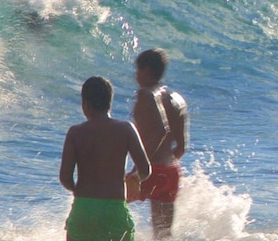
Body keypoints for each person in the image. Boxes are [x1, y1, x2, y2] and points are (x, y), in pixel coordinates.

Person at [61, 76, 153, 241]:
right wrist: (134, 178)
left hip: (84, 209)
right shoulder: (126, 129)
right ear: (109, 102)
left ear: (85, 104)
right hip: (114, 208)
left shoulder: (75, 133)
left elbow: (65, 178)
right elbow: (145, 169)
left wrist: (77, 190)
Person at [128, 49, 189, 239]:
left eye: (138, 70)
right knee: (163, 235)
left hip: (150, 171)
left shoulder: (146, 95)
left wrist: (140, 169)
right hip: (171, 173)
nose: (136, 74)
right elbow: (181, 148)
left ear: (146, 71)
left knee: (108, 204)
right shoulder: (177, 99)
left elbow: (160, 130)